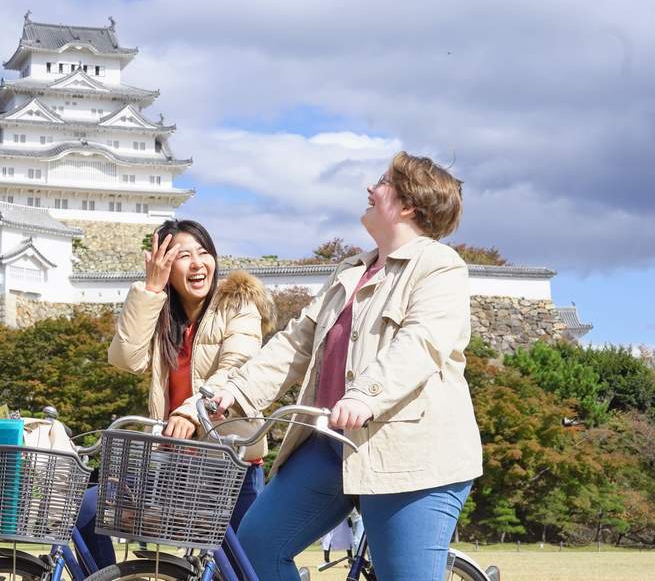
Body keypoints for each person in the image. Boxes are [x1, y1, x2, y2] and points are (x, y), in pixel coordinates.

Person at [210, 152, 482, 581]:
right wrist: (237, 391)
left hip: (410, 455)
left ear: (407, 205)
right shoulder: (350, 272)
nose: (370, 190)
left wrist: (364, 396)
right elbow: (296, 341)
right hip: (331, 443)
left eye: (382, 183)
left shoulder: (440, 267)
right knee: (257, 547)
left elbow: (422, 343)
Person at [76, 219, 276, 568]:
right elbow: (125, 359)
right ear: (166, 266)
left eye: (204, 252)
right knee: (88, 510)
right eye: (184, 255)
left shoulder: (238, 304)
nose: (198, 263)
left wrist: (190, 411)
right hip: (174, 464)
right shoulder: (164, 317)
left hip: (228, 464)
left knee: (237, 567)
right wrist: (151, 291)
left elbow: (237, 366)